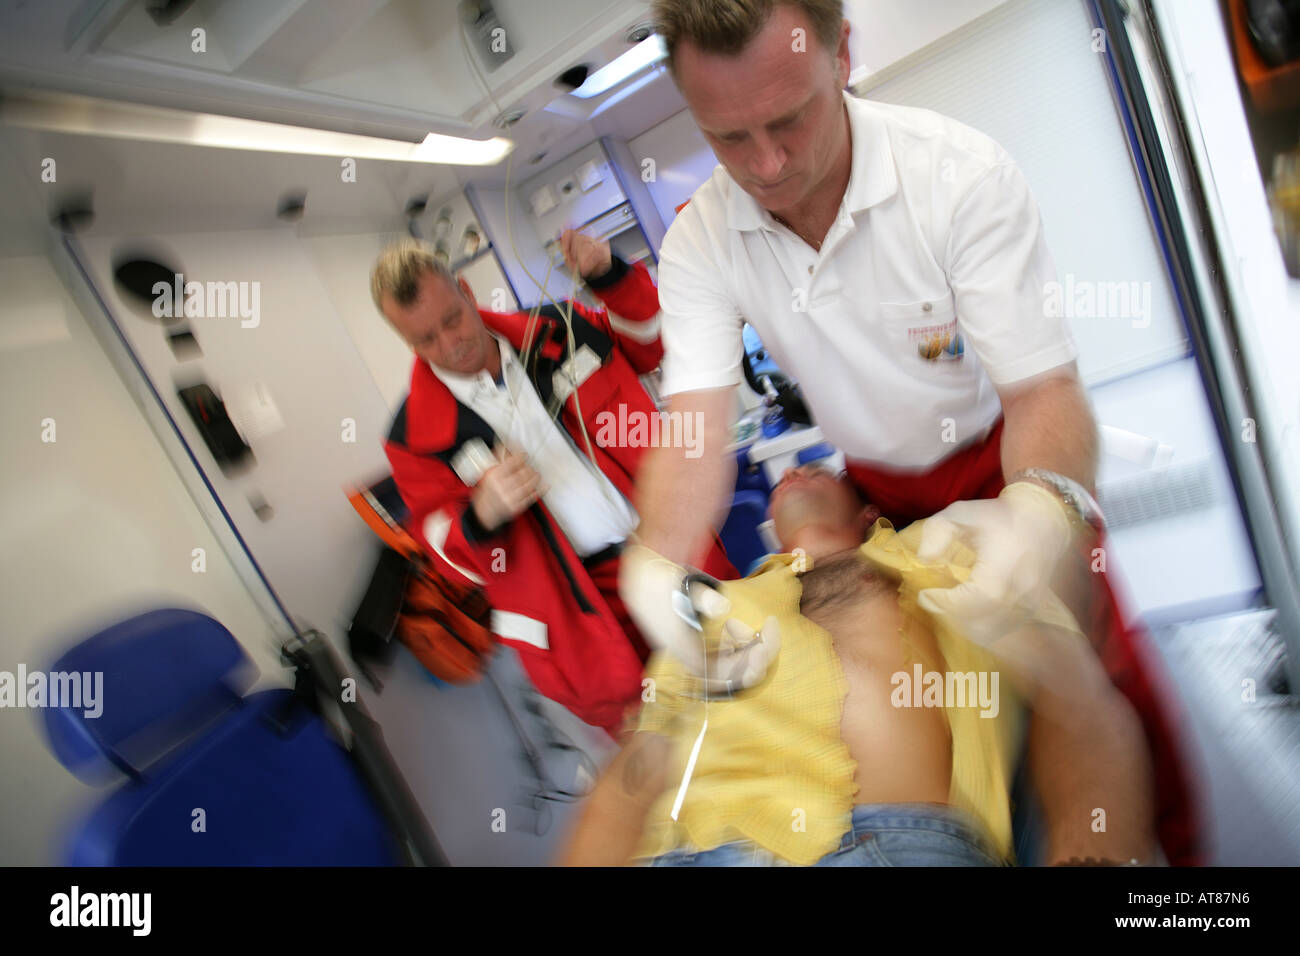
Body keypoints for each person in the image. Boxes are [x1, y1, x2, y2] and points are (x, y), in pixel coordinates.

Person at [619, 0, 1202, 863]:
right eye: (730, 139)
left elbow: (1044, 390)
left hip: (1007, 460)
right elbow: (696, 424)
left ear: (842, 52)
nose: (768, 164)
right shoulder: (700, 240)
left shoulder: (956, 177)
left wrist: (1043, 510)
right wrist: (655, 563)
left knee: (1098, 682)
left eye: (789, 119)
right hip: (881, 487)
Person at [562, 464, 1157, 866]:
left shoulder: (949, 551)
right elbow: (636, 768)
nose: (794, 472)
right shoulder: (715, 604)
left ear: (869, 510)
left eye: (822, 469)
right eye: (783, 480)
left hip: (875, 845)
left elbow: (1081, 713)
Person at [373, 230, 735, 736]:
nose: (448, 344)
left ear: (466, 290)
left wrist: (609, 276)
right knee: (669, 759)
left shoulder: (558, 328)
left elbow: (652, 341)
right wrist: (480, 517)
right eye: (423, 339)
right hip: (584, 617)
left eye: (451, 319)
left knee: (755, 693)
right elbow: (444, 555)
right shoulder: (413, 438)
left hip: (673, 554)